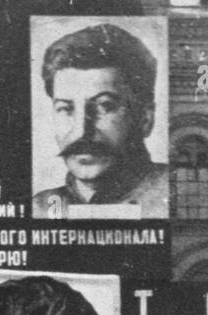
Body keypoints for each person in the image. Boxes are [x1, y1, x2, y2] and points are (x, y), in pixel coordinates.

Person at [32, 22, 168, 218]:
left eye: (105, 106)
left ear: (145, 119)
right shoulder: (39, 208)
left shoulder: (172, 195)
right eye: (65, 108)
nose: (81, 132)